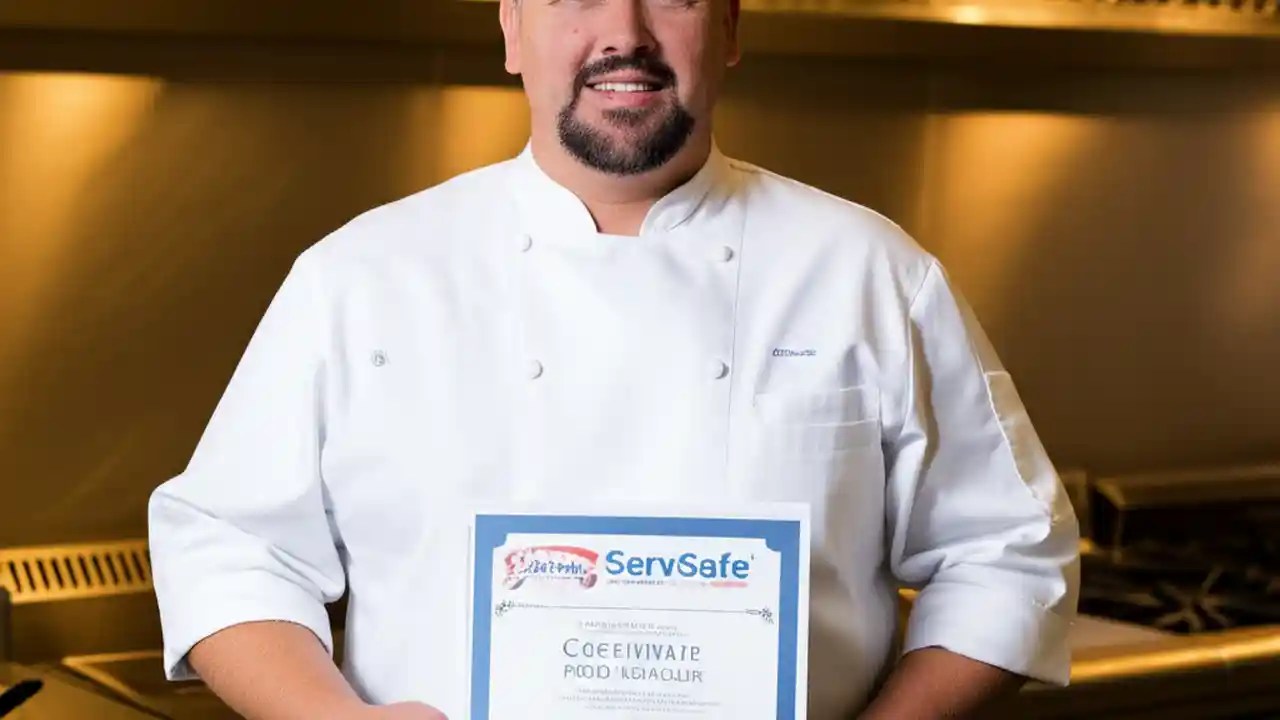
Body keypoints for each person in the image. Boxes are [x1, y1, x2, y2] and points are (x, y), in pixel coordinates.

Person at [147, 0, 1080, 717]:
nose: (624, 35)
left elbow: (1005, 554)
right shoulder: (362, 274)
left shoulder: (869, 272)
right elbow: (231, 547)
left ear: (729, 29)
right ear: (511, 28)